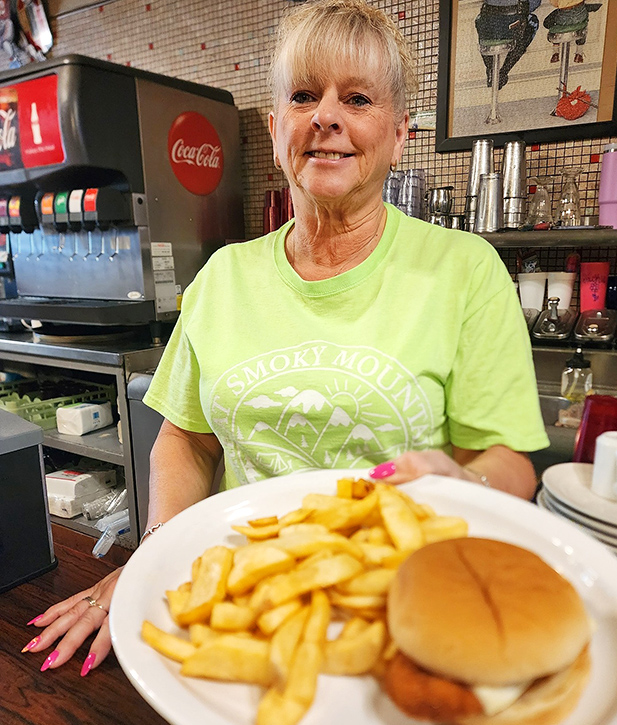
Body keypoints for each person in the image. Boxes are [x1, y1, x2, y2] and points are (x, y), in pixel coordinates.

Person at [22, 0, 548, 676]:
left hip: (397, 618)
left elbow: (509, 468)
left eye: (356, 98)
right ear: (276, 130)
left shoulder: (464, 271)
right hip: (242, 609)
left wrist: (461, 481)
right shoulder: (223, 276)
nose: (326, 115)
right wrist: (153, 558)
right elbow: (188, 438)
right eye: (304, 95)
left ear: (399, 134)